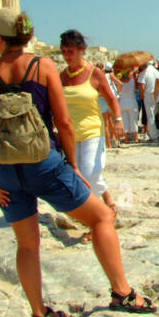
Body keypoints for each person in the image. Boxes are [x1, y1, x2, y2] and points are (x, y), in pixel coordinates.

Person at [0, 8, 155, 317]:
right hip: (45, 163)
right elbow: (63, 121)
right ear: (25, 37)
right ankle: (121, 292)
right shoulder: (43, 67)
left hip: (5, 171)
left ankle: (39, 315)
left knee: (27, 244)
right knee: (101, 218)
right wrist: (72, 165)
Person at [58, 30, 121, 214]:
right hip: (69, 135)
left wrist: (118, 120)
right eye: (64, 51)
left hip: (92, 131)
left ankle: (96, 219)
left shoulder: (95, 73)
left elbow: (111, 99)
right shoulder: (61, 77)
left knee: (87, 176)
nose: (66, 56)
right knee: (79, 176)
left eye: (70, 51)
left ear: (81, 50)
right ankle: (108, 202)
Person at [117, 69, 141, 144]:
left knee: (125, 121)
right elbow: (137, 88)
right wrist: (134, 75)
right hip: (132, 101)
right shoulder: (133, 80)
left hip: (123, 102)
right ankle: (136, 138)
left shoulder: (119, 81)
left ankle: (126, 138)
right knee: (134, 121)